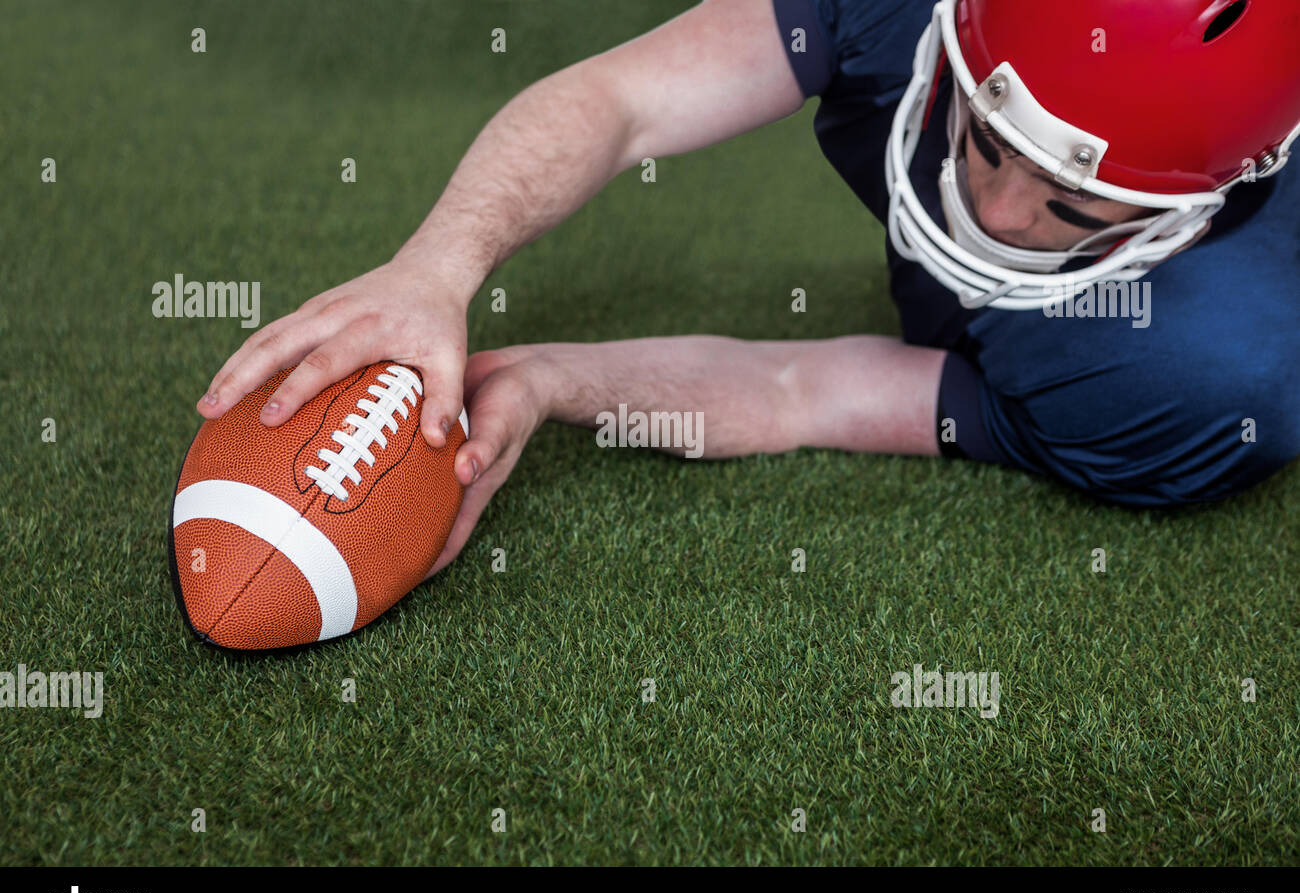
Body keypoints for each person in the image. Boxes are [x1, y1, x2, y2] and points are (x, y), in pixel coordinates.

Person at [195, 0, 1300, 572]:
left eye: (1071, 202)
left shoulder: (1193, 366)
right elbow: (620, 99)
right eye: (989, 138)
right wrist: (443, 277)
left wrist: (560, 378)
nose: (1000, 214)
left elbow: (801, 389)